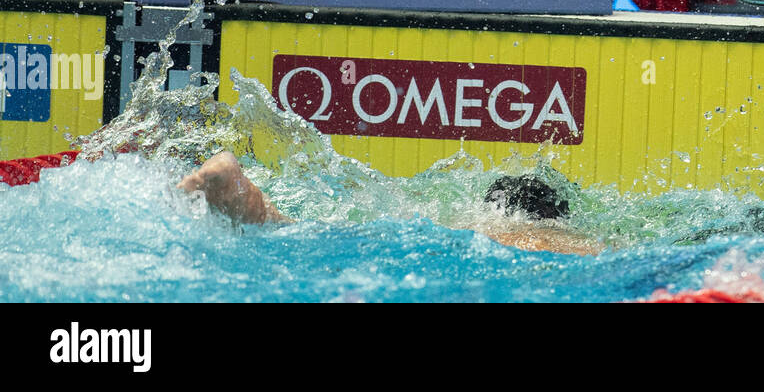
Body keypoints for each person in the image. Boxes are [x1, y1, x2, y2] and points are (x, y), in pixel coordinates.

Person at [179, 150, 601, 256]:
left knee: (290, 226)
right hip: (433, 252)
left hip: (404, 232)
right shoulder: (560, 239)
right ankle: (236, 193)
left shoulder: (457, 215)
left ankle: (234, 186)